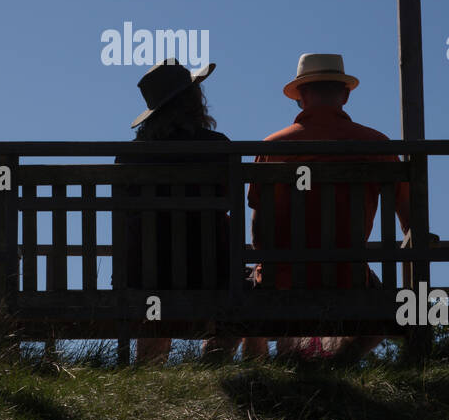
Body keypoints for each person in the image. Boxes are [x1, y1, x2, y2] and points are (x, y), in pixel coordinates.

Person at [241, 53, 416, 363]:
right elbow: (411, 222)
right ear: (345, 95)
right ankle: (335, 363)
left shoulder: (272, 148)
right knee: (377, 320)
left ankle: (284, 365)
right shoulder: (377, 145)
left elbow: (258, 231)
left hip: (280, 279)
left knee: (258, 279)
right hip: (347, 278)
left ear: (301, 97)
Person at [113, 59, 236, 364]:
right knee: (244, 285)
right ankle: (210, 370)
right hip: (211, 274)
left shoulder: (129, 158)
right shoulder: (219, 148)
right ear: (195, 101)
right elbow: (232, 199)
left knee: (152, 263)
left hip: (143, 277)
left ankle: (149, 375)